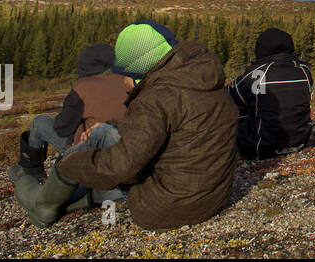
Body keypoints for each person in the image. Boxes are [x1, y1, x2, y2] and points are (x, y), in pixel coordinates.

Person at [21, 21, 239, 230]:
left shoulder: (156, 97)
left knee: (112, 174)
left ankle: (44, 203)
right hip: (214, 197)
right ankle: (57, 203)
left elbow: (122, 167)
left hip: (165, 208)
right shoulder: (207, 81)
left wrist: (69, 163)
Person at [13, 43, 133, 182]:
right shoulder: (128, 83)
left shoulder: (83, 89)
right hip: (125, 154)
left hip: (90, 154)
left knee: (39, 122)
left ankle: (31, 172)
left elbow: (62, 128)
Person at [229, 27, 314, 159]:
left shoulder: (258, 73)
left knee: (236, 108)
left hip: (262, 146)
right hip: (299, 141)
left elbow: (231, 96)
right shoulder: (304, 70)